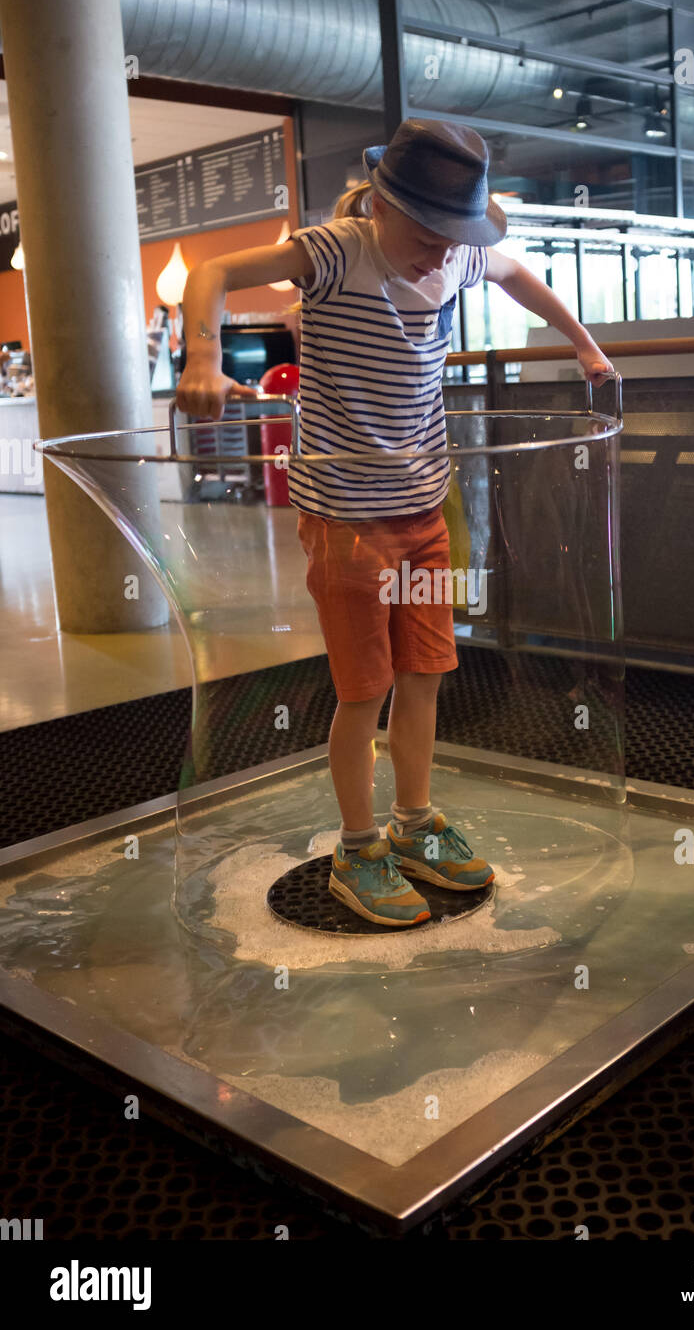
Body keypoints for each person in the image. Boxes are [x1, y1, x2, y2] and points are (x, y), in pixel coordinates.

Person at [176, 118, 614, 928]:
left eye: (458, 237)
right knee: (363, 690)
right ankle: (358, 845)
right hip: (346, 519)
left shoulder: (453, 260)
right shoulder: (339, 250)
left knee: (425, 674)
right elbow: (213, 271)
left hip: (422, 510)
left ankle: (414, 824)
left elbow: (518, 273)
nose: (445, 252)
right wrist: (200, 357)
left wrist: (584, 345)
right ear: (380, 205)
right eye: (429, 233)